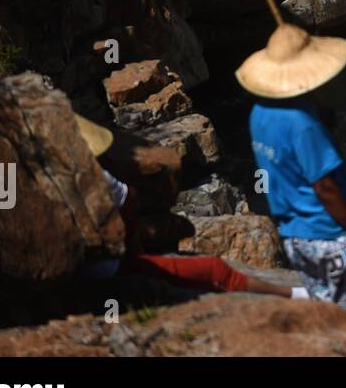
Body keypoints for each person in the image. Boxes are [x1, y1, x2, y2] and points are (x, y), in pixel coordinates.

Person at [237, 21, 346, 341]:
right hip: (330, 233)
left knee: (328, 311)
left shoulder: (258, 113)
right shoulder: (302, 124)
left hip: (295, 233)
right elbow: (325, 187)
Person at [74, 116, 302, 299]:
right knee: (214, 269)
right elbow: (127, 198)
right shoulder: (94, 177)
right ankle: (295, 294)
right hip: (106, 273)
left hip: (79, 275)